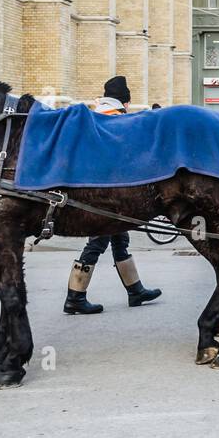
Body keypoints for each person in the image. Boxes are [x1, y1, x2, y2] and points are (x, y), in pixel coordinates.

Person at [63, 76, 163, 315]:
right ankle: (75, 296)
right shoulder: (119, 119)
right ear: (125, 101)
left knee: (120, 239)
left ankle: (135, 290)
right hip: (108, 195)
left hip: (93, 189)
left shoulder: (93, 117)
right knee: (97, 242)